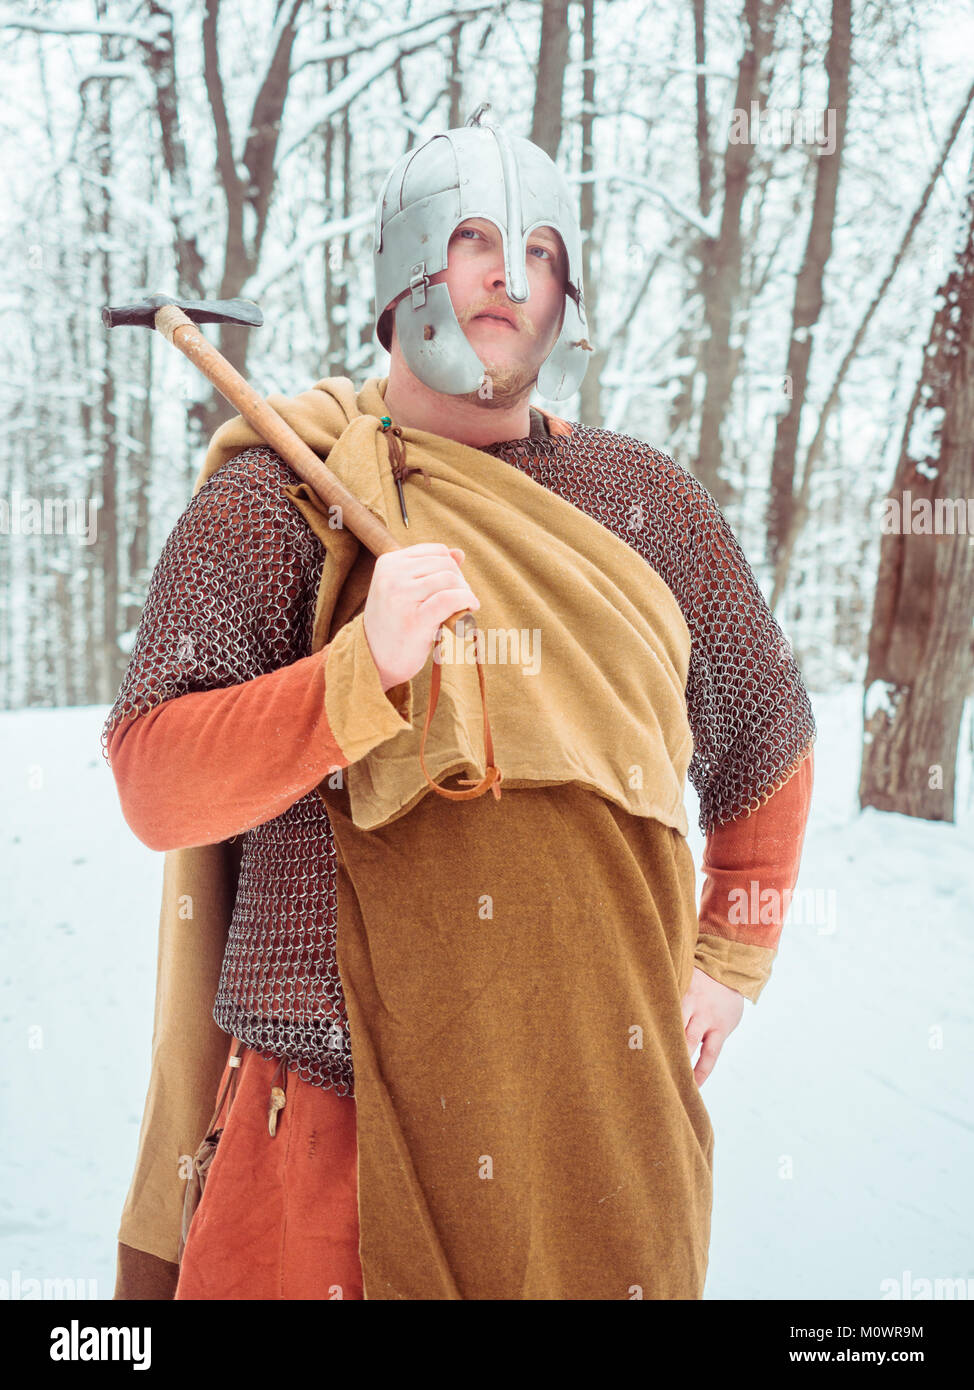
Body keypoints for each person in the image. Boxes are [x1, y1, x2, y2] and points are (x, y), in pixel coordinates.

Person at [104, 107, 815, 1301]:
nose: (505, 271)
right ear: (403, 273)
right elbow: (155, 780)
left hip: (596, 1126)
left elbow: (766, 745)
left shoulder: (644, 504)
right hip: (334, 1135)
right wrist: (355, 673)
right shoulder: (283, 497)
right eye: (474, 236)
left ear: (565, 291)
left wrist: (730, 953)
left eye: (537, 249)